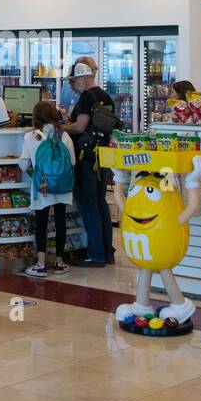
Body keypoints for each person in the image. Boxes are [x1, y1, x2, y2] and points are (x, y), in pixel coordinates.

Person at [62, 61, 116, 266]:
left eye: (74, 80)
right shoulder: (106, 96)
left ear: (84, 77)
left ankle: (95, 254)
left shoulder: (87, 96)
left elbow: (80, 127)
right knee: (101, 203)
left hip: (86, 158)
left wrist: (61, 126)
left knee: (88, 205)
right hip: (102, 156)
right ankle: (107, 251)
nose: (73, 84)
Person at [20, 101, 76, 277]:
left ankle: (41, 264)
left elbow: (23, 164)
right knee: (60, 222)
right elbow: (72, 162)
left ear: (35, 117)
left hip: (42, 185)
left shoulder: (31, 136)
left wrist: (37, 175)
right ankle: (59, 262)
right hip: (63, 185)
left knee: (41, 223)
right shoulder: (64, 135)